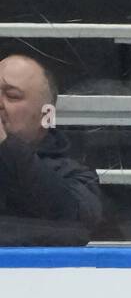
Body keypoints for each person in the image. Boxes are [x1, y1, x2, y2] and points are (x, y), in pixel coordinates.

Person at [0, 54, 103, 246]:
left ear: (46, 115)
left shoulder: (76, 173)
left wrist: (6, 145)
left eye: (12, 96)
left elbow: (75, 222)